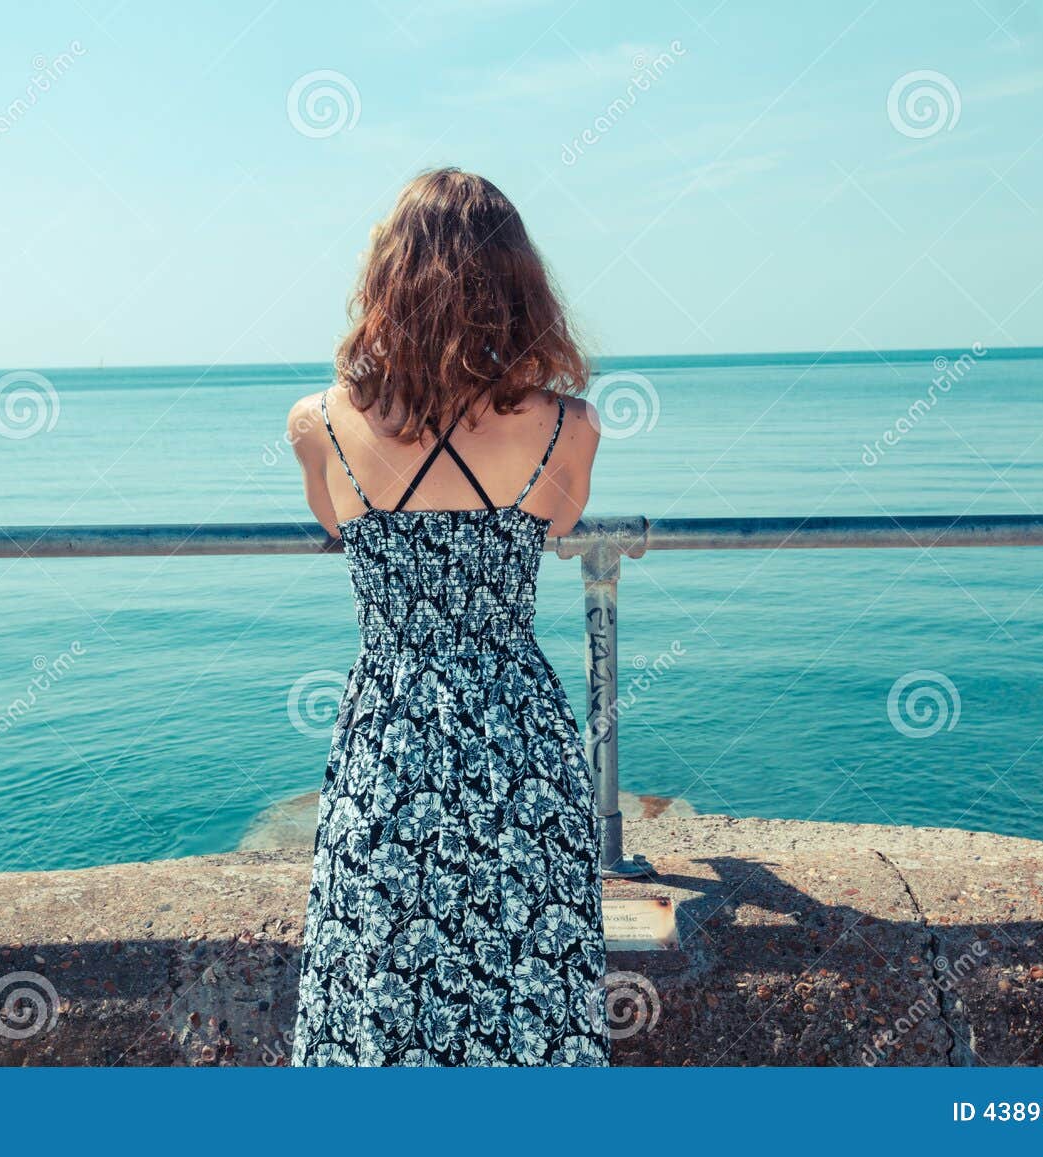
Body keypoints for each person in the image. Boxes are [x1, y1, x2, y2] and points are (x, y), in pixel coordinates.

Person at [285, 167, 605, 1065]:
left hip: (389, 739)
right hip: (520, 744)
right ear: (518, 287)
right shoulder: (568, 428)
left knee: (381, 991)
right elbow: (564, 520)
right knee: (530, 998)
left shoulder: (317, 422)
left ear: (387, 280)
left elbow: (330, 519)